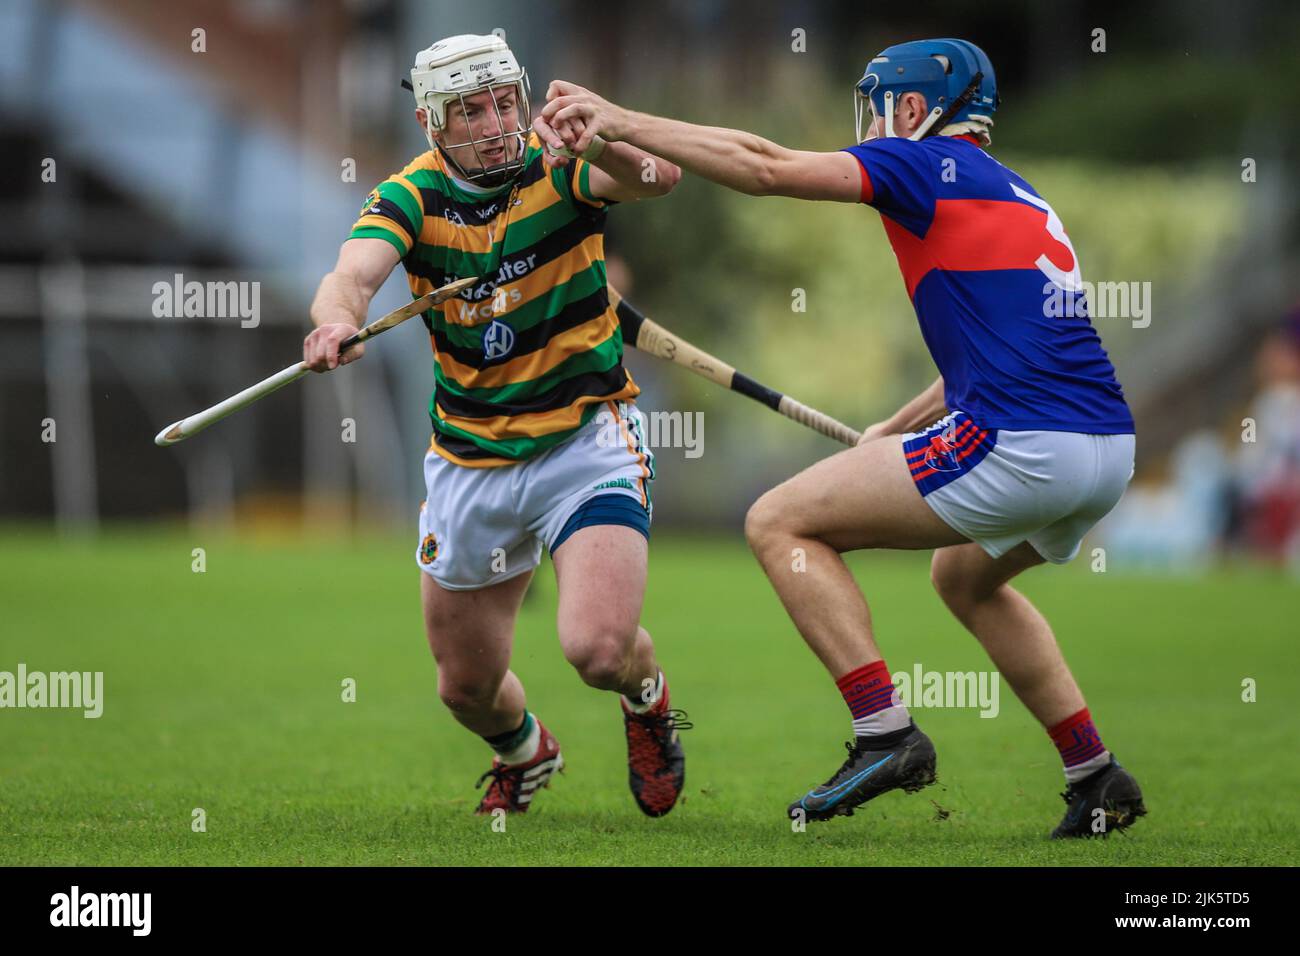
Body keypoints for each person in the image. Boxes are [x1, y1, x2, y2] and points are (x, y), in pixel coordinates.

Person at [536, 38, 1145, 837]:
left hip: (1020, 444)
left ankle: (884, 734)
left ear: (919, 111)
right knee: (964, 580)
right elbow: (1023, 338)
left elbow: (762, 166)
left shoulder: (917, 164)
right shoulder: (1020, 194)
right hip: (1105, 449)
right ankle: (1096, 773)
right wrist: (898, 427)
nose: (875, 124)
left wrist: (622, 121)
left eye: (884, 106)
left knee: (778, 521)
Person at [303, 34, 690, 818]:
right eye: (471, 111)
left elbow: (659, 179)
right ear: (431, 122)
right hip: (471, 457)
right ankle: (524, 749)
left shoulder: (559, 163)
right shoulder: (410, 196)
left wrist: (608, 140)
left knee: (597, 648)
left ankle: (646, 700)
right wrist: (334, 323)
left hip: (585, 437)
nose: (495, 122)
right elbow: (351, 275)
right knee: (466, 687)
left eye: (504, 102)